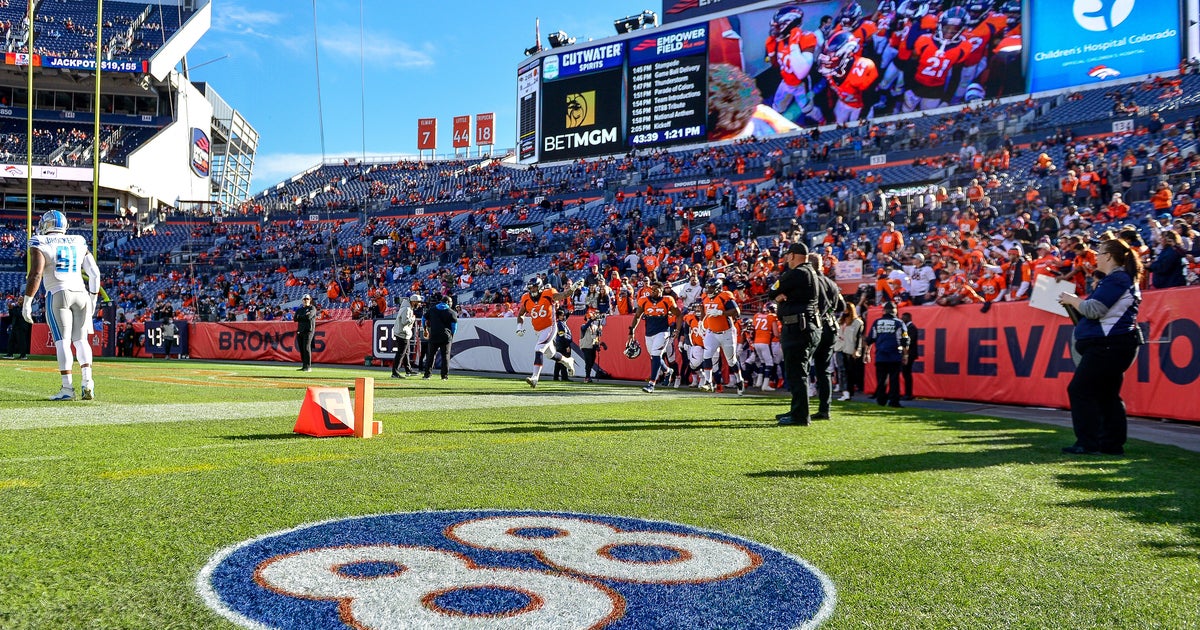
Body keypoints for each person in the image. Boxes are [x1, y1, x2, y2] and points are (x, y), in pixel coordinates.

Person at [1057, 239, 1144, 455]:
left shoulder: (1117, 279)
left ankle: (1088, 442)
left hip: (1108, 345)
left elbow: (1095, 309)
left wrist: (1073, 300)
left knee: (1080, 389)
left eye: (1100, 252)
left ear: (1108, 256)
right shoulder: (1118, 279)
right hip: (1114, 344)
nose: (1095, 256)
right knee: (1107, 394)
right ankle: (1111, 444)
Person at [21, 210, 101, 400]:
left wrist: (27, 302)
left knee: (63, 342)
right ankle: (87, 381)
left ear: (46, 225)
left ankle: (67, 389)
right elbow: (95, 273)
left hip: (58, 293)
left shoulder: (40, 241)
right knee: (81, 340)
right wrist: (93, 299)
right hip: (81, 294)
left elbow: (36, 274)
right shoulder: (79, 240)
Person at [769, 242, 820, 425]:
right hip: (803, 327)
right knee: (798, 373)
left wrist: (778, 296)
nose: (785, 259)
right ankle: (797, 410)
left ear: (792, 255)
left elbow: (772, 290)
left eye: (787, 256)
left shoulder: (798, 272)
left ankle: (800, 416)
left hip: (798, 328)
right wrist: (779, 296)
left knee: (797, 373)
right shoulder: (809, 271)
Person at [515, 277, 575, 387]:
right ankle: (568, 361)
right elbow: (521, 314)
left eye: (535, 287)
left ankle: (535, 377)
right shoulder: (526, 298)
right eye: (531, 288)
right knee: (551, 354)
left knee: (539, 348)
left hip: (550, 327)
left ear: (540, 287)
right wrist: (519, 327)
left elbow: (562, 296)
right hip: (538, 331)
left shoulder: (548, 293)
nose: (532, 290)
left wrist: (572, 290)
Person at [808, 252, 845, 420]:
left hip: (815, 326)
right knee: (824, 371)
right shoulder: (831, 283)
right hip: (830, 326)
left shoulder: (811, 280)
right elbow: (842, 306)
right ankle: (825, 409)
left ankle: (800, 410)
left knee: (803, 367)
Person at [629, 281, 680, 393]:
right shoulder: (644, 300)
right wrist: (631, 331)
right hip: (649, 333)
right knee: (654, 356)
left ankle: (651, 384)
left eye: (656, 290)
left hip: (663, 332)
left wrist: (677, 330)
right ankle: (667, 370)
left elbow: (679, 314)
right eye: (652, 289)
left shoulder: (667, 300)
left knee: (656, 355)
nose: (653, 292)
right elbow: (637, 316)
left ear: (661, 291)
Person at [699, 276, 746, 394]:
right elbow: (703, 309)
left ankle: (739, 380)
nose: (708, 290)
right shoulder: (705, 297)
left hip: (727, 332)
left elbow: (737, 311)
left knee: (731, 360)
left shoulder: (725, 296)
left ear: (717, 288)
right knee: (707, 354)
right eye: (708, 288)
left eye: (711, 288)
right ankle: (708, 382)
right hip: (712, 332)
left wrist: (721, 313)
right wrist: (701, 322)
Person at [865, 301, 908, 408]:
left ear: (884, 311)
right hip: (894, 356)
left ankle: (881, 401)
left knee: (881, 380)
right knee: (894, 380)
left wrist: (867, 353)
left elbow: (870, 339)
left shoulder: (877, 322)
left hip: (881, 356)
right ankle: (894, 401)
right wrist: (905, 355)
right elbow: (905, 340)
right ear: (895, 311)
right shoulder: (899, 323)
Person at [422, 293, 457, 380]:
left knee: (430, 356)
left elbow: (423, 318)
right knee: (445, 356)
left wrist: (425, 329)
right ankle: (444, 376)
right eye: (451, 302)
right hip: (446, 337)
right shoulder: (452, 312)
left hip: (433, 335)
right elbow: (454, 327)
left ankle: (427, 375)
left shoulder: (432, 309)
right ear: (448, 302)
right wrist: (451, 335)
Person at [833, 303, 864, 400]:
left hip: (850, 349)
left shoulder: (858, 322)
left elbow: (859, 338)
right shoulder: (840, 321)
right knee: (842, 370)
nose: (844, 311)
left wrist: (857, 350)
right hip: (839, 347)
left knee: (849, 371)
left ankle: (849, 391)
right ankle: (845, 392)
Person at [390, 293, 422, 378]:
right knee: (401, 353)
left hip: (402, 333)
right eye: (418, 302)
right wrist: (413, 319)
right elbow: (405, 321)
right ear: (413, 301)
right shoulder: (407, 309)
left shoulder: (407, 307)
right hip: (402, 333)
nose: (419, 304)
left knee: (406, 352)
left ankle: (408, 370)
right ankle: (395, 372)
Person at [578, 311, 605, 383]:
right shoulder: (583, 326)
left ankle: (588, 376)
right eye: (589, 318)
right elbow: (584, 327)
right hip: (586, 346)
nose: (590, 319)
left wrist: (600, 331)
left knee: (592, 361)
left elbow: (597, 336)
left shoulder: (595, 327)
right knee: (588, 361)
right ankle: (587, 377)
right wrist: (591, 320)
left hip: (592, 346)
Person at [294, 294, 318, 372]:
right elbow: (295, 318)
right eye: (304, 299)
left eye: (307, 299)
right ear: (302, 300)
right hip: (300, 330)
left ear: (310, 300)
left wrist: (300, 317)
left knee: (307, 348)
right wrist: (303, 316)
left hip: (308, 330)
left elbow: (309, 316)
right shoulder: (299, 309)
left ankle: (308, 366)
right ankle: (304, 365)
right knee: (301, 349)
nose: (305, 300)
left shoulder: (312, 308)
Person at [900, 311, 919, 400]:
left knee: (907, 374)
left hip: (909, 354)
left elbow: (909, 341)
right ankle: (906, 393)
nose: (902, 319)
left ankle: (908, 394)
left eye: (903, 318)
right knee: (905, 373)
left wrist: (902, 343)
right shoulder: (906, 328)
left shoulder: (912, 328)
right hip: (906, 353)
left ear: (908, 318)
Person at [552, 308, 574, 381]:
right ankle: (564, 377)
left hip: (560, 344)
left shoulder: (561, 323)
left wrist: (569, 313)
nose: (563, 316)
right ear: (558, 316)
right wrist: (567, 345)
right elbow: (562, 335)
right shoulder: (560, 324)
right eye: (561, 315)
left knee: (558, 362)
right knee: (564, 361)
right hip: (562, 344)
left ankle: (556, 377)